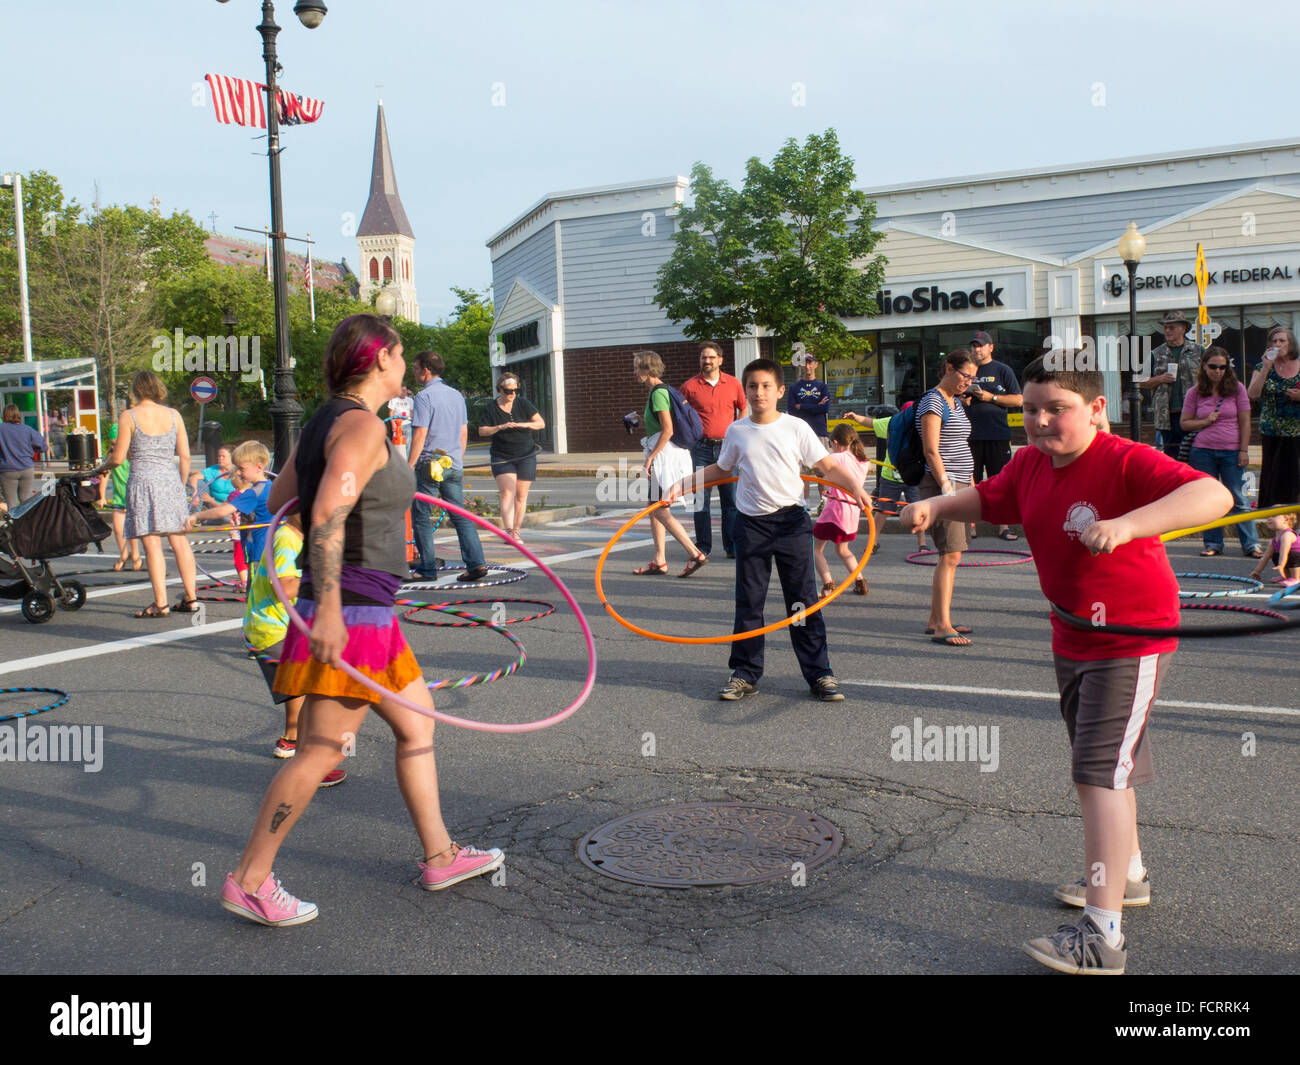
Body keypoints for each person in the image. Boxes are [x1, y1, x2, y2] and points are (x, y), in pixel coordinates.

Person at [901, 355, 1230, 975]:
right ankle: (1126, 875)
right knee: (1106, 763)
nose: (1040, 421)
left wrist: (1128, 525)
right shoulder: (1027, 463)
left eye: (1057, 409)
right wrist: (939, 509)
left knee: (1096, 774)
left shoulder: (1124, 459)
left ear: (1097, 410)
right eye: (1030, 409)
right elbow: (992, 500)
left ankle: (1103, 938)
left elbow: (1213, 492)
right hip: (1072, 633)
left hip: (1129, 638)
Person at [220, 313, 503, 928]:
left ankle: (440, 855)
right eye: (401, 355)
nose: (407, 366)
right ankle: (250, 880)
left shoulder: (326, 419)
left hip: (367, 607)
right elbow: (320, 512)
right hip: (351, 612)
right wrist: (326, 605)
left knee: (417, 729)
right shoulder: (363, 426)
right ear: (382, 360)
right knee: (319, 750)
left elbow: (278, 504)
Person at [667, 357, 874, 703]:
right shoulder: (737, 431)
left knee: (802, 601)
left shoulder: (796, 428)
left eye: (766, 386)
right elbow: (721, 469)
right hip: (752, 525)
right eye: (752, 386)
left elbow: (825, 467)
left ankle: (819, 673)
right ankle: (745, 673)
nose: (758, 392)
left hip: (791, 522)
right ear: (744, 391)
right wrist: (683, 484)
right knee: (750, 600)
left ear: (780, 391)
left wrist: (857, 488)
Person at [110, 372, 199, 619]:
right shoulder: (174, 415)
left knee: (152, 543)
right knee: (179, 540)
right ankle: (191, 597)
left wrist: (104, 466)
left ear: (136, 390)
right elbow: (185, 456)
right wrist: (180, 485)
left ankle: (161, 603)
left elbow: (119, 458)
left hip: (143, 481)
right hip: (170, 481)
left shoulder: (129, 416)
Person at [408, 351, 489, 582]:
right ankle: (476, 564)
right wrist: (457, 459)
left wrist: (409, 465)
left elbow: (420, 434)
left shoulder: (423, 397)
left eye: (415, 367)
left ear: (425, 369)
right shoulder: (456, 395)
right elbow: (464, 432)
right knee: (460, 514)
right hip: (452, 462)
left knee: (422, 516)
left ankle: (426, 568)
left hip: (429, 463)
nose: (413, 372)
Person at [918, 351, 977, 647]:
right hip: (945, 485)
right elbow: (931, 450)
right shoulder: (933, 400)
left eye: (972, 378)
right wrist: (946, 487)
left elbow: (960, 444)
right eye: (965, 376)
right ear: (948, 369)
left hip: (961, 484)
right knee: (950, 554)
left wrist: (972, 487)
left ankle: (937, 619)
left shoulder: (955, 401)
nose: (968, 382)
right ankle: (942, 624)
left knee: (954, 554)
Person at [631, 350, 706, 576]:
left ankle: (695, 553)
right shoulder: (661, 391)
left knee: (660, 509)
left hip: (665, 457)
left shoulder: (658, 394)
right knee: (653, 507)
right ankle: (659, 559)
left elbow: (668, 429)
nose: (634, 371)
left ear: (646, 368)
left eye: (636, 367)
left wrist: (652, 457)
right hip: (667, 454)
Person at [1182, 347, 1262, 558]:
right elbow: (1185, 424)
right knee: (1208, 499)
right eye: (1213, 367)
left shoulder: (1237, 389)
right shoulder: (1195, 392)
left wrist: (1243, 450)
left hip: (1232, 451)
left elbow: (1245, 422)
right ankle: (1213, 543)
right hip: (1203, 451)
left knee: (1240, 499)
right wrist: (1204, 421)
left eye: (1223, 367)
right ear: (1204, 367)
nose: (1218, 371)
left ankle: (1251, 544)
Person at [679, 341, 747, 560]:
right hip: (701, 449)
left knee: (732, 502)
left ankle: (732, 546)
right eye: (703, 358)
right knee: (701, 501)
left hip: (728, 448)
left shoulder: (733, 383)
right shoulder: (689, 386)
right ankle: (703, 547)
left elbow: (743, 407)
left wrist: (738, 430)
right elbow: (679, 415)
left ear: (720, 360)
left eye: (710, 357)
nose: (706, 361)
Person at [964, 330, 1022, 540]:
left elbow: (1018, 400)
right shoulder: (968, 370)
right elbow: (954, 395)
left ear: (990, 347)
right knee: (972, 483)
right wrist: (964, 400)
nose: (976, 349)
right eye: (974, 346)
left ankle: (1003, 526)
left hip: (997, 434)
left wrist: (992, 397)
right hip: (970, 436)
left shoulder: (1002, 370)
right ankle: (970, 526)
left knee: (1000, 481)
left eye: (980, 345)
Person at [479, 372, 544, 541]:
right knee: (507, 492)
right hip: (502, 455)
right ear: (500, 389)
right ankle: (508, 531)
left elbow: (540, 423)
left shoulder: (523, 404)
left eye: (515, 390)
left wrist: (524, 424)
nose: (512, 394)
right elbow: (482, 430)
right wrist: (500, 427)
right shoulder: (492, 407)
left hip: (526, 453)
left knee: (521, 495)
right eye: (508, 391)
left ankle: (516, 530)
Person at [813, 423, 870, 598]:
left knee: (814, 549)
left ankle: (828, 584)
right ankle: (860, 581)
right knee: (843, 550)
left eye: (831, 444)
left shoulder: (838, 457)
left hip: (835, 511)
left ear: (835, 442)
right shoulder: (863, 461)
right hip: (852, 513)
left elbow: (819, 465)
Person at [1246, 325, 1300, 508]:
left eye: (1282, 340)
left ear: (1291, 344)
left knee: (1295, 477)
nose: (1277, 344)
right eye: (1274, 341)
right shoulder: (1263, 366)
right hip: (1272, 432)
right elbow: (1252, 394)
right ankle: (1273, 520)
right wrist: (1266, 367)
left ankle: (1296, 523)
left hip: (1297, 432)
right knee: (1274, 476)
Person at [1139, 310, 1204, 459]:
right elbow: (1141, 381)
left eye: (1172, 327)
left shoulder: (1198, 350)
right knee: (1172, 457)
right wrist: (1160, 378)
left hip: (1195, 413)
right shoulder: (1156, 353)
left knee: (1196, 454)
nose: (1167, 331)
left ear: (1183, 329)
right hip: (1168, 417)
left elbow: (1211, 376)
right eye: (1165, 327)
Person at [785, 350, 831, 506]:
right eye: (805, 362)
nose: (807, 366)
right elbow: (792, 409)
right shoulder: (794, 387)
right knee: (802, 472)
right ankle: (804, 503)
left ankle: (823, 502)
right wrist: (815, 406)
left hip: (819, 432)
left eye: (810, 362)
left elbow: (824, 409)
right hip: (799, 434)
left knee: (822, 471)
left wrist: (802, 406)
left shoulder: (822, 386)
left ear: (816, 364)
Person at [98, 417, 142, 572]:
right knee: (118, 529)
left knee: (132, 529)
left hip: (133, 497)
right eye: (111, 443)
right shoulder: (111, 457)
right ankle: (123, 554)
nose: (114, 446)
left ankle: (135, 554)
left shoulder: (133, 456)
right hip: (118, 497)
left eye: (116, 443)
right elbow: (104, 475)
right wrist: (101, 495)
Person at [0, 404, 47, 508]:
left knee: (11, 503)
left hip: (7, 470)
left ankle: (14, 523)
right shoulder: (27, 429)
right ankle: (28, 523)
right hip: (26, 468)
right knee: (26, 501)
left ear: (4, 415)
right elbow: (43, 447)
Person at [1248, 512, 1299, 587]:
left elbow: (1284, 553)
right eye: (1269, 516)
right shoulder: (1274, 540)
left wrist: (1281, 565)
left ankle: (1296, 578)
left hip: (1296, 557)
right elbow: (1265, 557)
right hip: (1288, 557)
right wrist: (1257, 571)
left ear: (1286, 519)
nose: (1269, 518)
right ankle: (1286, 576)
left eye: (1274, 516)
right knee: (1275, 555)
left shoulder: (1287, 535)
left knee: (1292, 555)